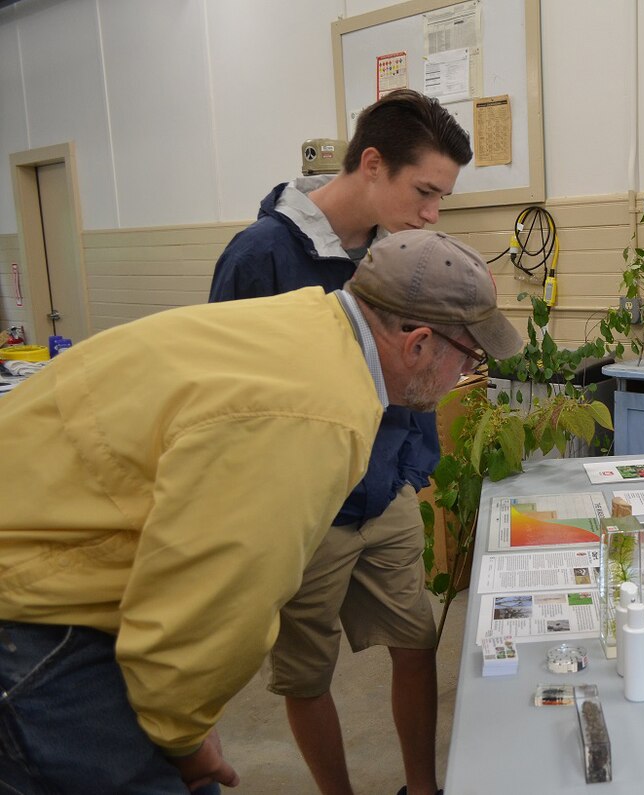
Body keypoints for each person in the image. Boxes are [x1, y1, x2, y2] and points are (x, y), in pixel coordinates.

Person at [0, 230, 522, 794]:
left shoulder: (305, 319)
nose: (462, 381)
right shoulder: (321, 414)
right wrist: (185, 739)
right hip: (32, 611)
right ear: (418, 345)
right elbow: (210, 600)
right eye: (468, 361)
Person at [208, 88, 471, 795]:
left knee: (416, 642)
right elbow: (225, 395)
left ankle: (422, 787)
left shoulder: (403, 255)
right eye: (423, 191)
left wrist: (415, 464)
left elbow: (418, 371)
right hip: (305, 511)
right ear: (373, 163)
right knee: (307, 670)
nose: (431, 214)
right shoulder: (261, 255)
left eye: (442, 198)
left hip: (382, 491)